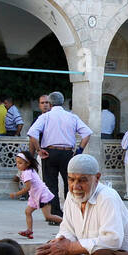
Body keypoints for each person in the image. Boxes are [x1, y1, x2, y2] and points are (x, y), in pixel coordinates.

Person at [27, 90, 92, 218]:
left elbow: (32, 133)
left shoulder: (45, 117)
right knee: (71, 183)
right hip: (67, 153)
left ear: (50, 103)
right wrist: (79, 150)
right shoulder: (72, 116)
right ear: (63, 103)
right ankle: (72, 212)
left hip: (49, 152)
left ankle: (54, 214)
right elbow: (87, 133)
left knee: (51, 184)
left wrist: (39, 149)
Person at [11, 151, 60, 238]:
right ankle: (29, 231)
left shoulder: (27, 172)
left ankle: (67, 223)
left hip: (42, 195)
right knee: (28, 211)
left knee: (48, 216)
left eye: (20, 163)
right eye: (17, 163)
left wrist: (16, 194)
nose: (18, 165)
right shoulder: (28, 170)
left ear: (28, 163)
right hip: (35, 196)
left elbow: (27, 188)